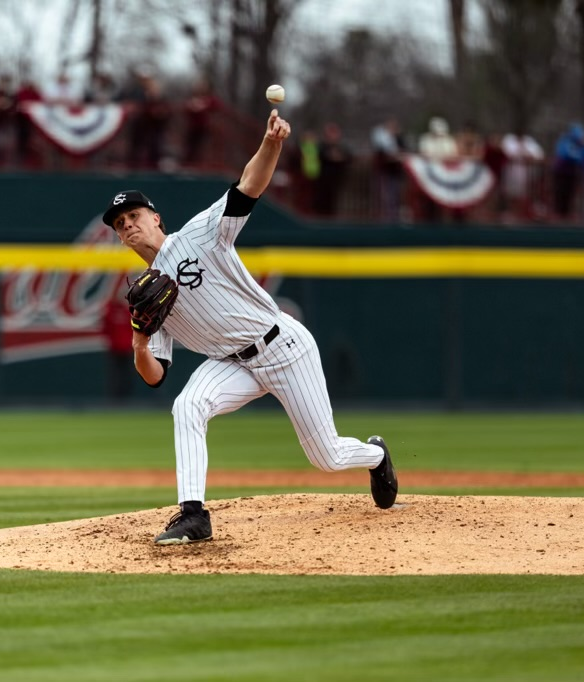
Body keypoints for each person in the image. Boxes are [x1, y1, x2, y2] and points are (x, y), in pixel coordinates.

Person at [100, 109, 398, 545]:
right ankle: (192, 515)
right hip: (232, 364)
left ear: (156, 218)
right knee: (187, 405)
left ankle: (375, 455)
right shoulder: (146, 295)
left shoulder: (198, 234)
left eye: (134, 217)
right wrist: (139, 341)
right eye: (120, 226)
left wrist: (271, 144)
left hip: (284, 346)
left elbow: (247, 188)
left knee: (326, 456)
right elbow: (154, 375)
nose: (128, 226)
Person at [371, 117, 407, 222]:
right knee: (385, 196)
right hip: (384, 172)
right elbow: (381, 153)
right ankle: (384, 218)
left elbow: (404, 150)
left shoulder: (399, 139)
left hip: (396, 172)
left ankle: (393, 217)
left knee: (395, 196)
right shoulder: (381, 139)